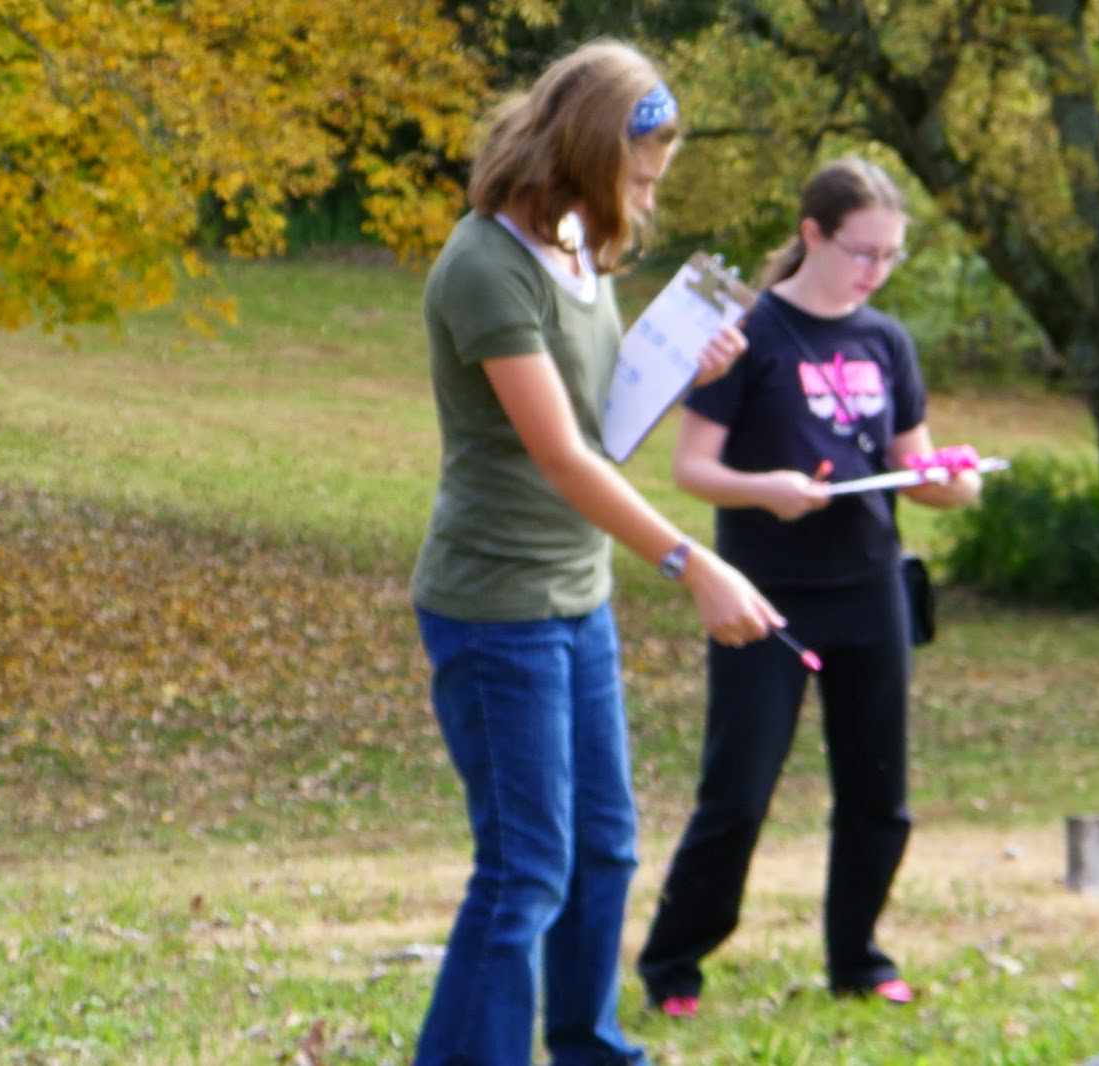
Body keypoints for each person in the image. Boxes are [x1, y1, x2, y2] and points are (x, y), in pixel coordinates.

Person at [408, 39, 782, 1066]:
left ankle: (588, 1047)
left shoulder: (574, 241)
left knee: (603, 847)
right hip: (496, 605)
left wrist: (675, 370)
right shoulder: (485, 264)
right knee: (527, 866)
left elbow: (601, 423)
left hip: (576, 592)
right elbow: (564, 459)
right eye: (642, 178)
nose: (649, 203)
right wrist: (691, 562)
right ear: (584, 151)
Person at [636, 157, 982, 1017]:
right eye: (861, 250)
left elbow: (913, 464)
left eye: (890, 256)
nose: (874, 270)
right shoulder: (744, 333)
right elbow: (692, 470)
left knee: (878, 793)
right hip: (767, 594)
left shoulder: (887, 342)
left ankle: (858, 959)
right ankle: (675, 965)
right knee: (739, 792)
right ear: (812, 236)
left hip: (871, 586)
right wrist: (770, 489)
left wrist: (952, 479)